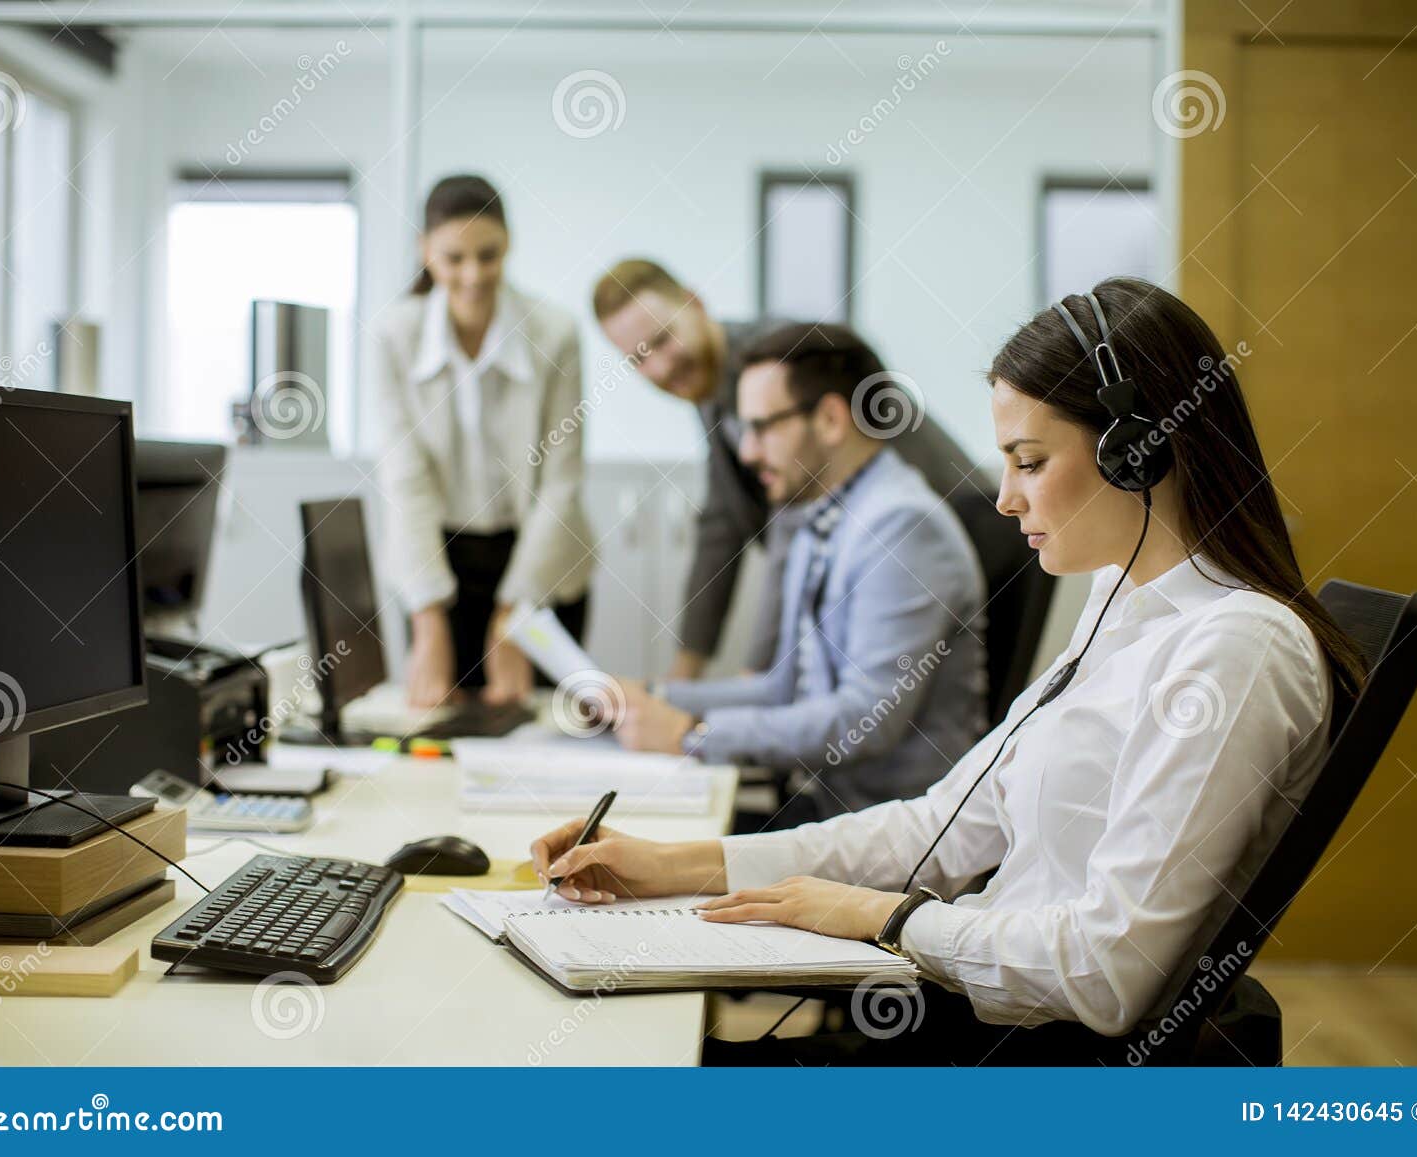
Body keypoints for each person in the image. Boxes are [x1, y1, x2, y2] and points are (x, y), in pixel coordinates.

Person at [531, 278, 1367, 1064]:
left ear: (1137, 452)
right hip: (962, 1004)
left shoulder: (1237, 649)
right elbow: (936, 824)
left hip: (1023, 1057)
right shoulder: (1123, 603)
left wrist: (886, 918)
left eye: (1031, 461)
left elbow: (1111, 974)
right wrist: (672, 863)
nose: (1004, 499)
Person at [608, 323, 987, 823]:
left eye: (762, 427)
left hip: (895, 832)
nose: (746, 453)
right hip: (833, 812)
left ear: (830, 419)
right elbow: (786, 686)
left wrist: (691, 735)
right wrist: (656, 698)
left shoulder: (902, 527)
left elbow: (864, 721)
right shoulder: (816, 516)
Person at [593, 258, 990, 679]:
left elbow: (792, 525)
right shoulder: (712, 389)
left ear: (695, 303)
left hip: (943, 554)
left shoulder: (779, 364)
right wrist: (683, 678)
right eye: (638, 359)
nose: (658, 367)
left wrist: (750, 682)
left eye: (663, 339)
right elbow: (722, 526)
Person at [372, 175, 592, 709]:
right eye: (454, 258)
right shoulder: (393, 335)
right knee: (440, 722)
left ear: (509, 244)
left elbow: (560, 483)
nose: (473, 275)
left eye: (488, 256)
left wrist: (515, 612)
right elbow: (406, 481)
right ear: (426, 253)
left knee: (534, 726)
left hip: (540, 558)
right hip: (438, 562)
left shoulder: (556, 332)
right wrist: (427, 618)